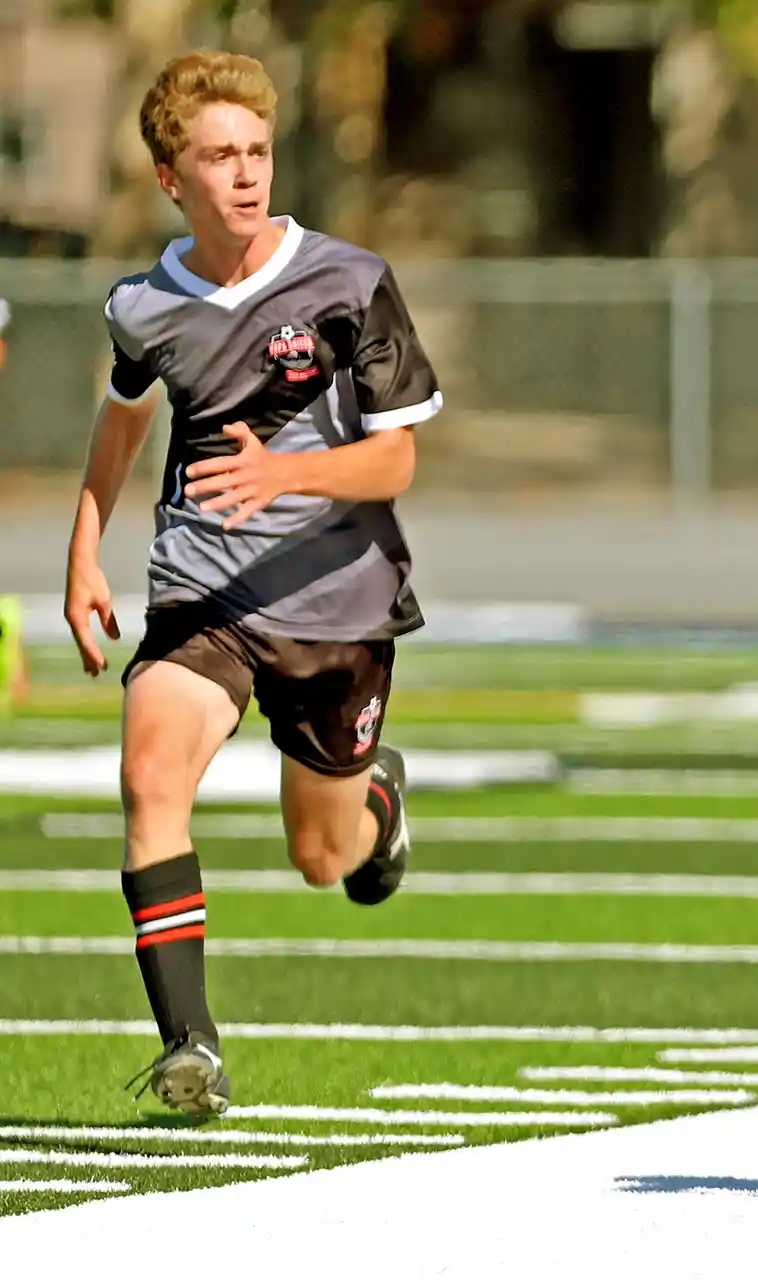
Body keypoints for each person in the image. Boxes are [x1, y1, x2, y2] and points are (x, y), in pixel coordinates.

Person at [64, 50, 440, 1118]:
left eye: (259, 151)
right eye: (219, 154)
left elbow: (397, 461)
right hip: (203, 594)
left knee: (325, 859)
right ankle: (191, 1046)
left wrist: (286, 472)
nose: (246, 173)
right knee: (149, 778)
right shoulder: (143, 305)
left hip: (339, 599)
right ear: (169, 178)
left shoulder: (348, 279)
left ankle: (375, 800)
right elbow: (125, 416)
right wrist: (84, 547)